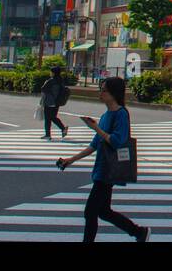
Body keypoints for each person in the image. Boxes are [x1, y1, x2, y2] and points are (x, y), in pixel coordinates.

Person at [57, 76, 149, 242]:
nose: (101, 92)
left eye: (104, 90)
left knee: (90, 212)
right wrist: (71, 160)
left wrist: (95, 127)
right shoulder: (106, 114)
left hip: (109, 170)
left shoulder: (120, 114)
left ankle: (138, 232)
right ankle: (139, 232)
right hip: (102, 168)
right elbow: (95, 144)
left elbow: (117, 141)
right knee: (103, 211)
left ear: (113, 93)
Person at [39, 64, 69, 140]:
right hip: (57, 102)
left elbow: (43, 89)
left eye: (51, 72)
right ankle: (60, 130)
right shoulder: (61, 80)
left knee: (48, 118)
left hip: (49, 102)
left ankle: (51, 133)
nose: (50, 73)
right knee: (52, 117)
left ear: (53, 73)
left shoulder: (50, 81)